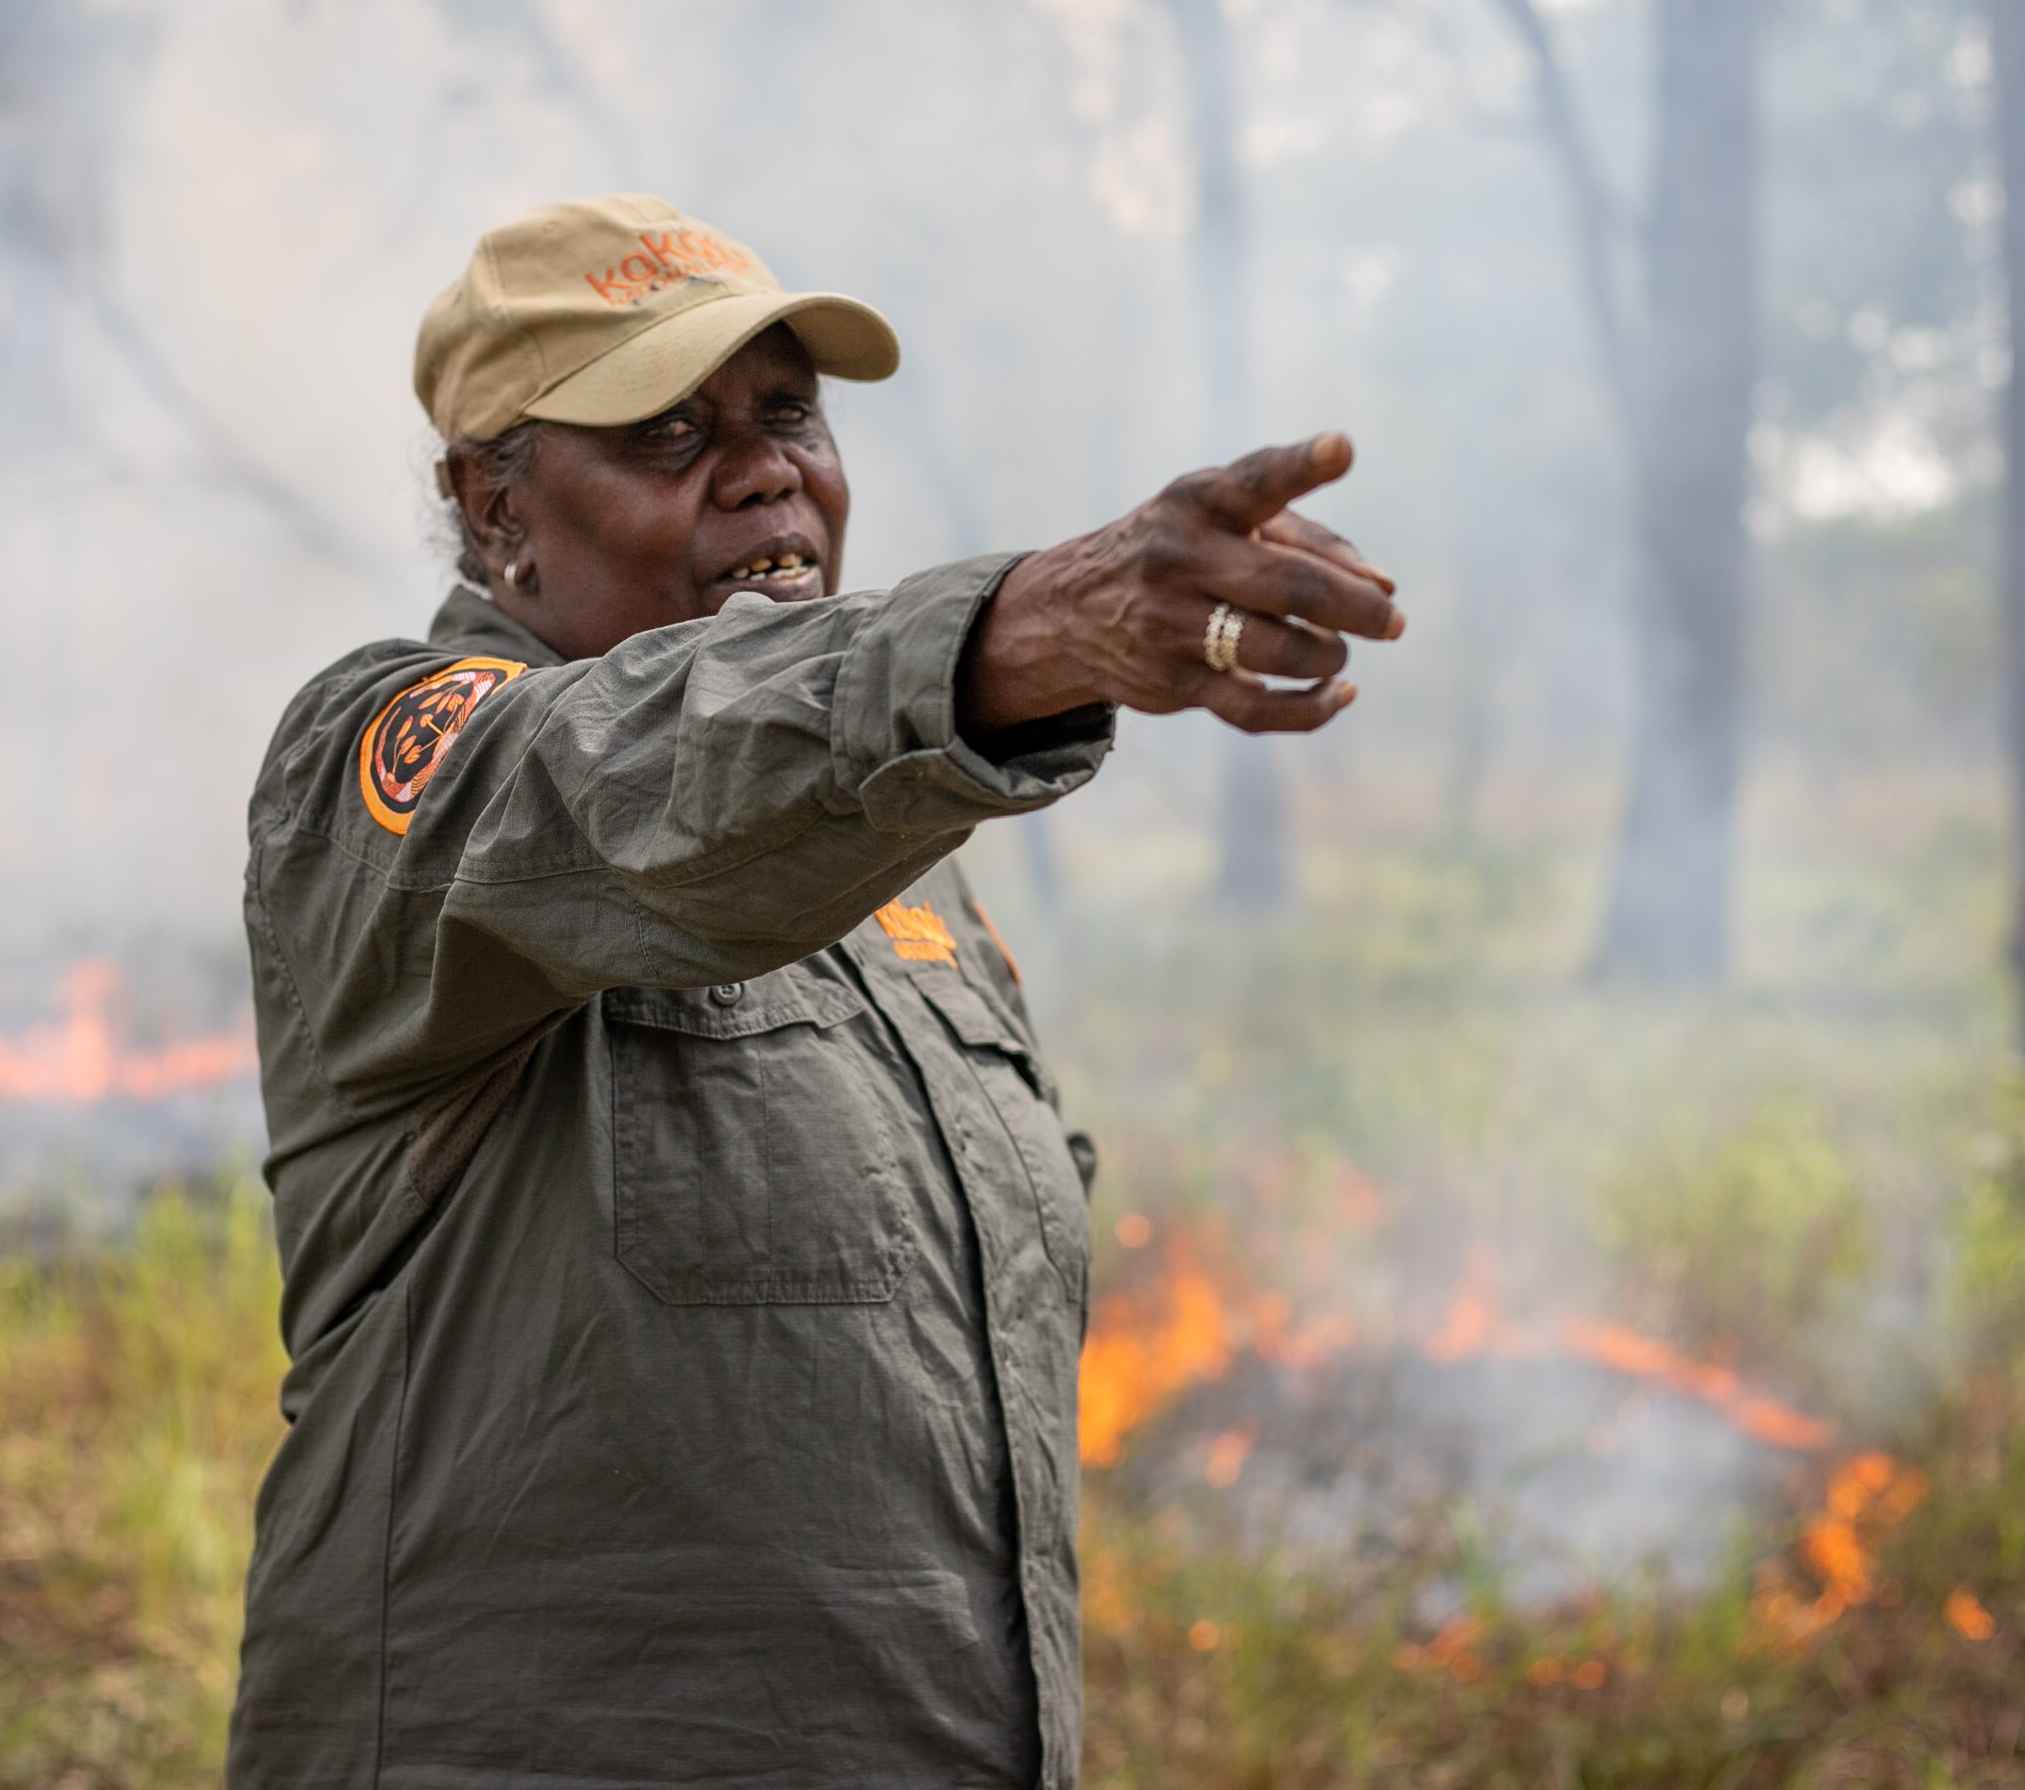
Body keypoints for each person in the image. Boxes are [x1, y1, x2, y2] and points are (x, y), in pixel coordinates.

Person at [227, 193, 1402, 1790]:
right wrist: (1023, 628)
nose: (767, 464)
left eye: (789, 413)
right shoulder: (400, 771)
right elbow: (628, 769)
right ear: (493, 505)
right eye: (665, 429)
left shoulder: (891, 847)